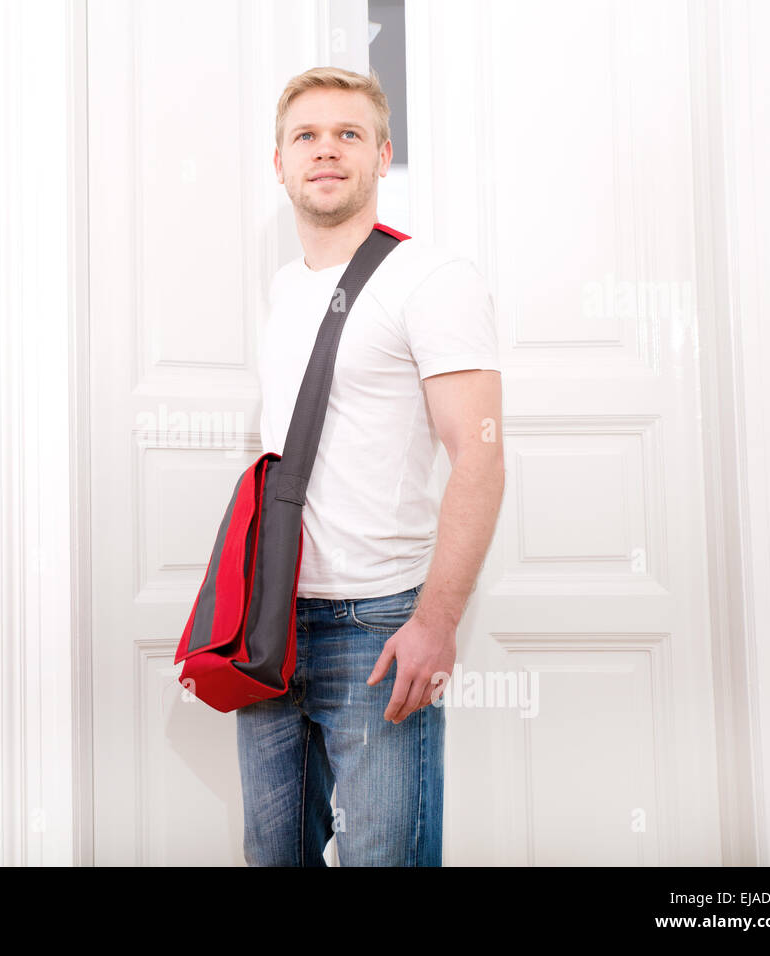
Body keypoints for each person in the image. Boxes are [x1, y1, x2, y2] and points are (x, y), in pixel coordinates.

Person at [237, 66, 505, 866]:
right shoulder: (286, 288)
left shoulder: (433, 279)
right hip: (275, 621)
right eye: (306, 136)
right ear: (278, 163)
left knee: (384, 857)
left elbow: (480, 460)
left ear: (382, 156)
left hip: (377, 625)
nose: (327, 151)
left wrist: (437, 621)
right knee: (272, 854)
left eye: (349, 134)